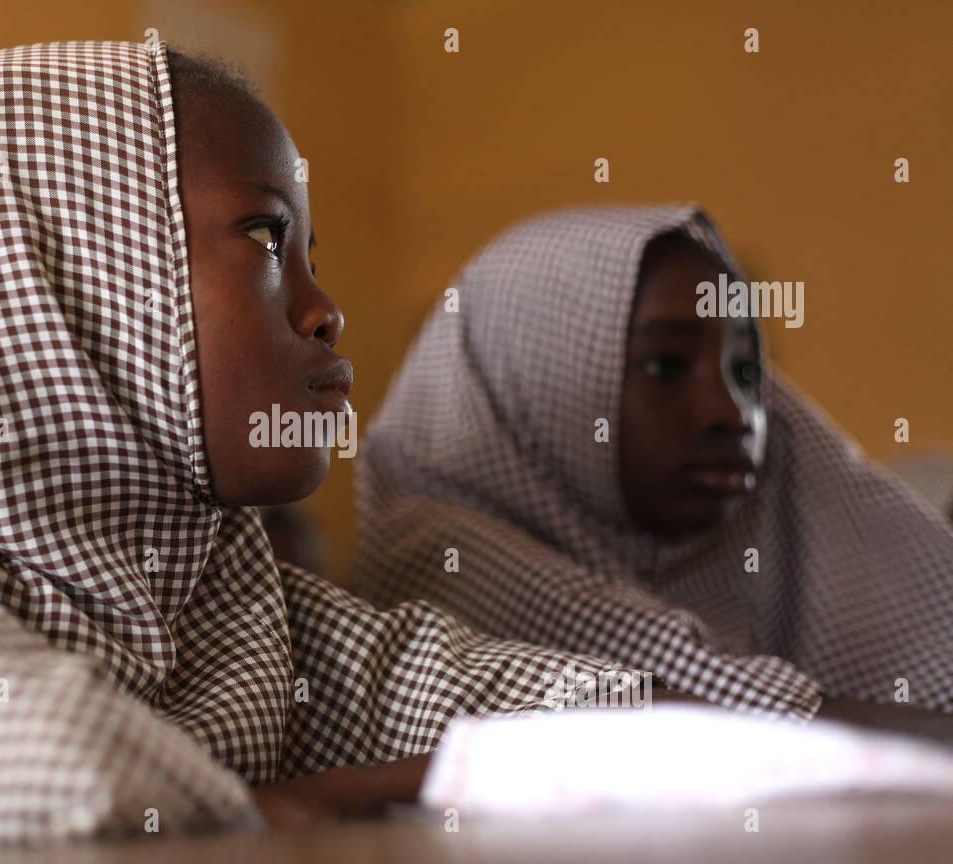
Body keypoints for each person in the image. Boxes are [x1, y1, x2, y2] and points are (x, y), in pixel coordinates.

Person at [0, 43, 688, 864]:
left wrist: (694, 737)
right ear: (62, 289)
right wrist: (331, 803)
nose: (325, 311)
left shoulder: (226, 596)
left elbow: (489, 694)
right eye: (268, 238)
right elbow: (78, 787)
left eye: (313, 258)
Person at [353, 206, 953, 738]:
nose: (732, 412)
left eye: (747, 373)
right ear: (535, 384)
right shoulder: (438, 552)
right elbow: (725, 711)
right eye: (666, 366)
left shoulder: (740, 537)